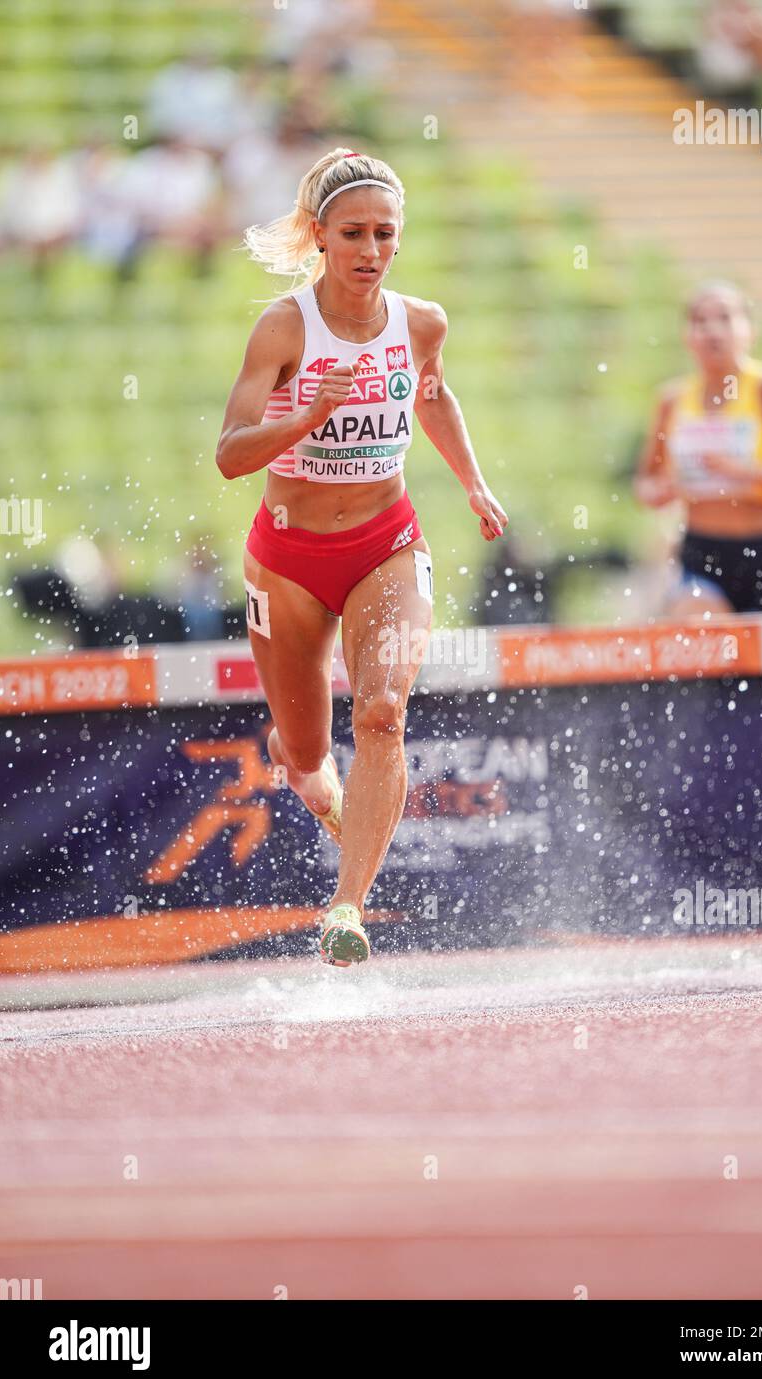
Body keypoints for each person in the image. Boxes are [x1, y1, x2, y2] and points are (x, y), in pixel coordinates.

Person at [216, 148, 508, 966]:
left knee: (381, 712)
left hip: (387, 545)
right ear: (318, 236)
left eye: (385, 234)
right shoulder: (283, 326)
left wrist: (475, 486)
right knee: (308, 759)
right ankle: (301, 762)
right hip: (287, 563)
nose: (370, 251)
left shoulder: (422, 322)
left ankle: (344, 911)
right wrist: (305, 414)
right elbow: (231, 455)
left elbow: (436, 394)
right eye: (352, 234)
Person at [634, 282, 762, 616]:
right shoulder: (672, 401)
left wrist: (744, 472)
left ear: (750, 331)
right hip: (702, 552)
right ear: (687, 336)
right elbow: (644, 483)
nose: (712, 331)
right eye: (700, 321)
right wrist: (663, 491)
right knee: (703, 638)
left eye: (725, 319)